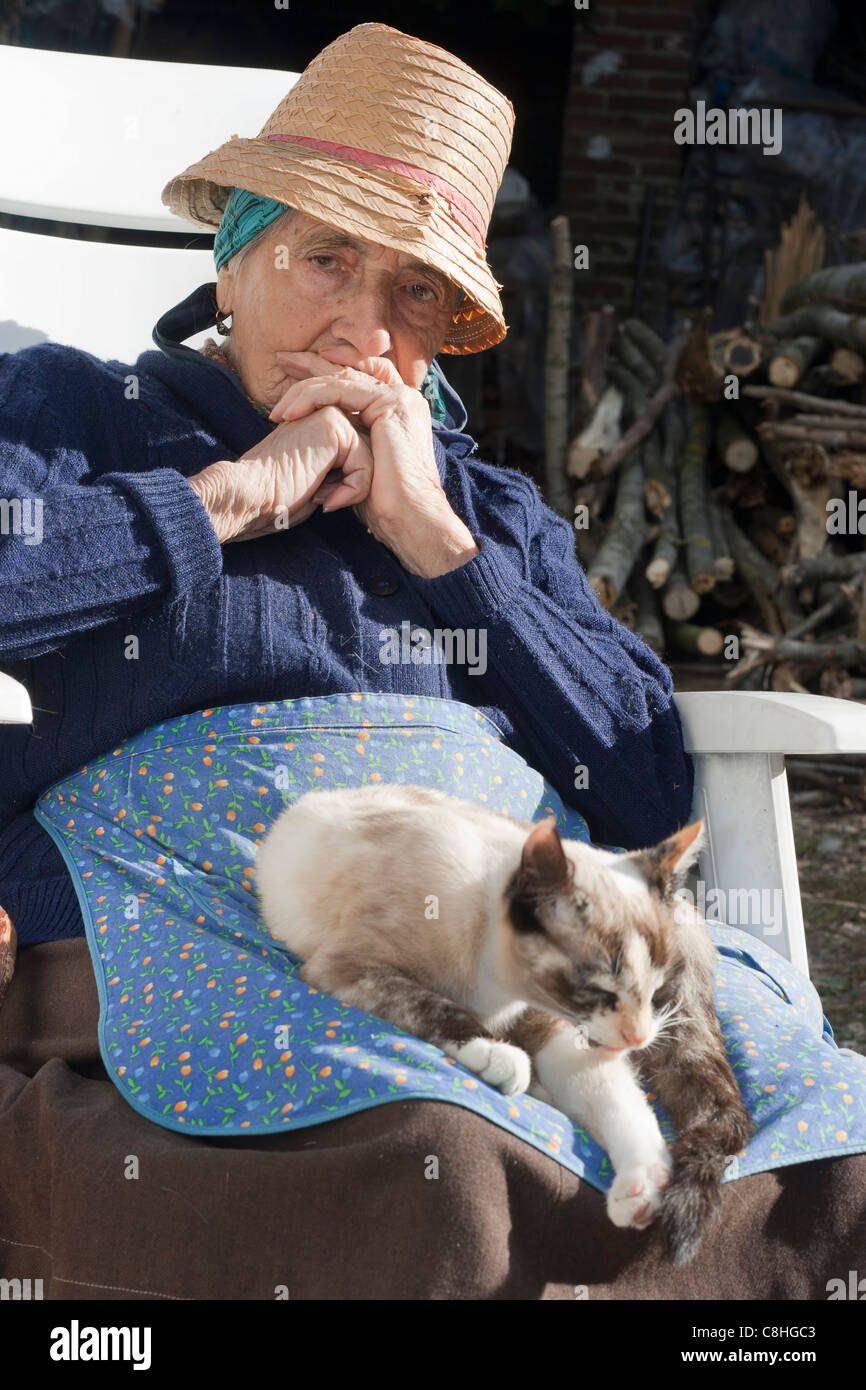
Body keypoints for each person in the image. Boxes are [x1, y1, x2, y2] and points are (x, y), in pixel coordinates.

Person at [1, 23, 862, 1301]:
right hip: (192, 896)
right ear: (230, 257)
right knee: (439, 1154)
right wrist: (228, 499)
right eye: (323, 258)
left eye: (413, 293)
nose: (361, 328)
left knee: (822, 1143)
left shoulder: (486, 506)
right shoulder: (72, 412)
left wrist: (440, 545)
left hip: (510, 923)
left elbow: (637, 792)